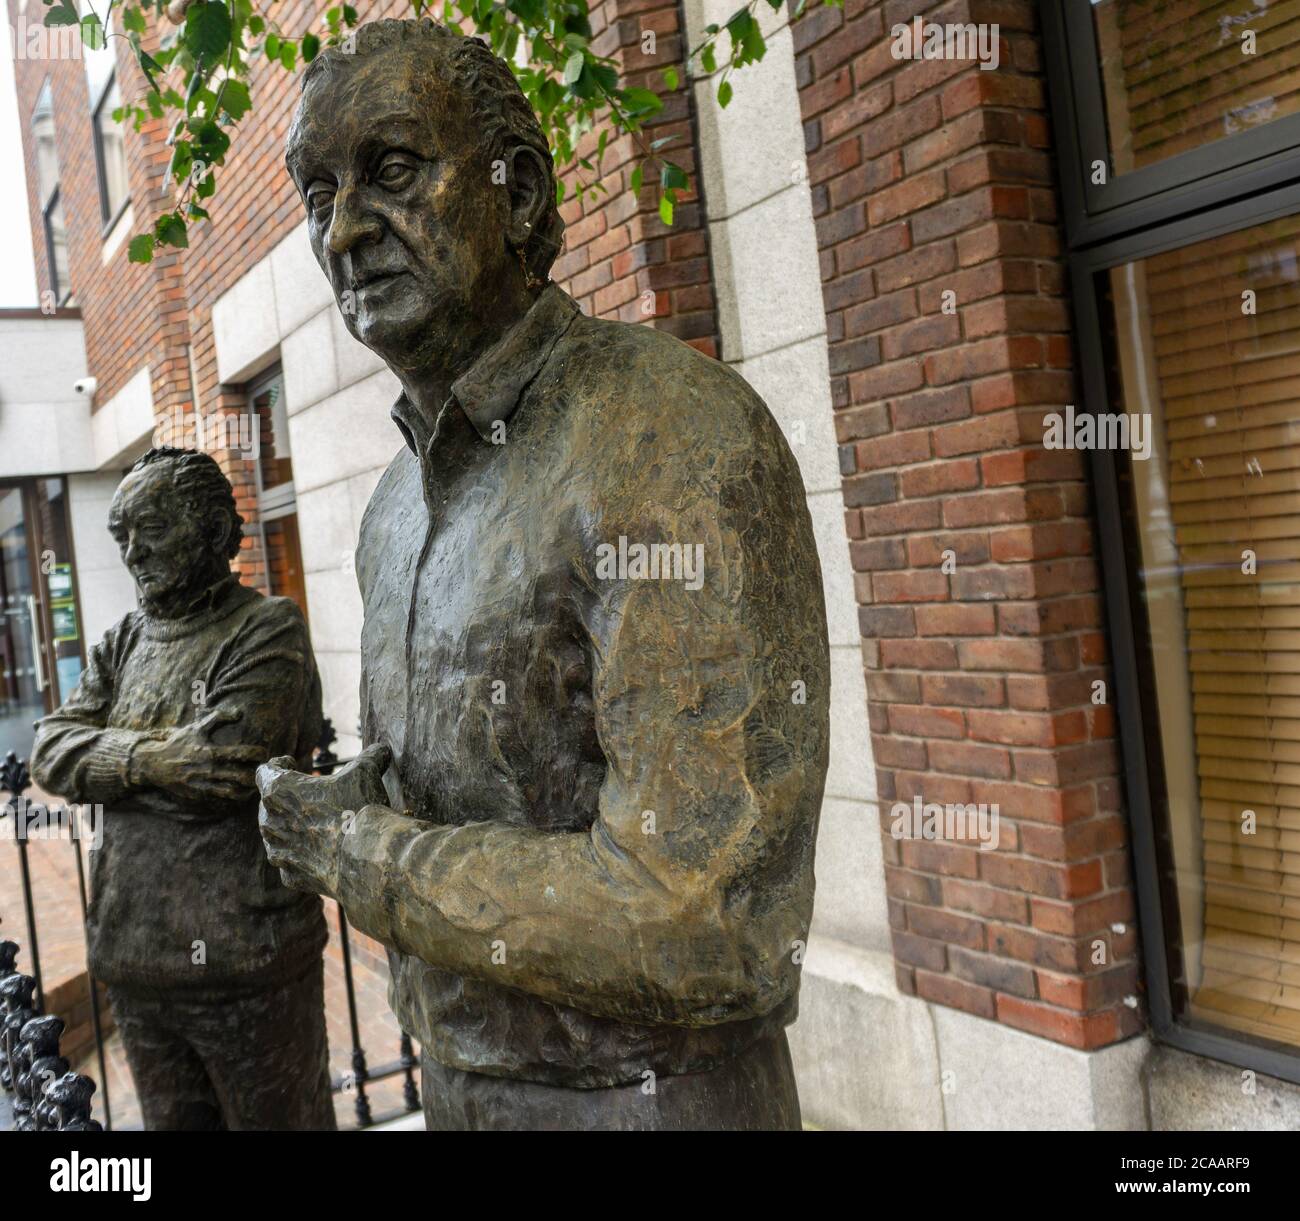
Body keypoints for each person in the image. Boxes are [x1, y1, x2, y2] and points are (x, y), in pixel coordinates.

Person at [256, 18, 829, 1130]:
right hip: (454, 1085)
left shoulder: (673, 436)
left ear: (516, 194)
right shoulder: (389, 510)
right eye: (316, 194)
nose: (342, 231)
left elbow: (711, 921)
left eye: (390, 171)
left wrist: (366, 854)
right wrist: (364, 801)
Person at [32, 447, 333, 1131]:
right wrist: (153, 763)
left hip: (246, 967)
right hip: (135, 959)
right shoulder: (123, 640)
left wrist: (108, 765)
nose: (133, 552)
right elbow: (51, 749)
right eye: (122, 535)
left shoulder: (267, 628)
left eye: (153, 528)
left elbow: (222, 771)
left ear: (214, 529)